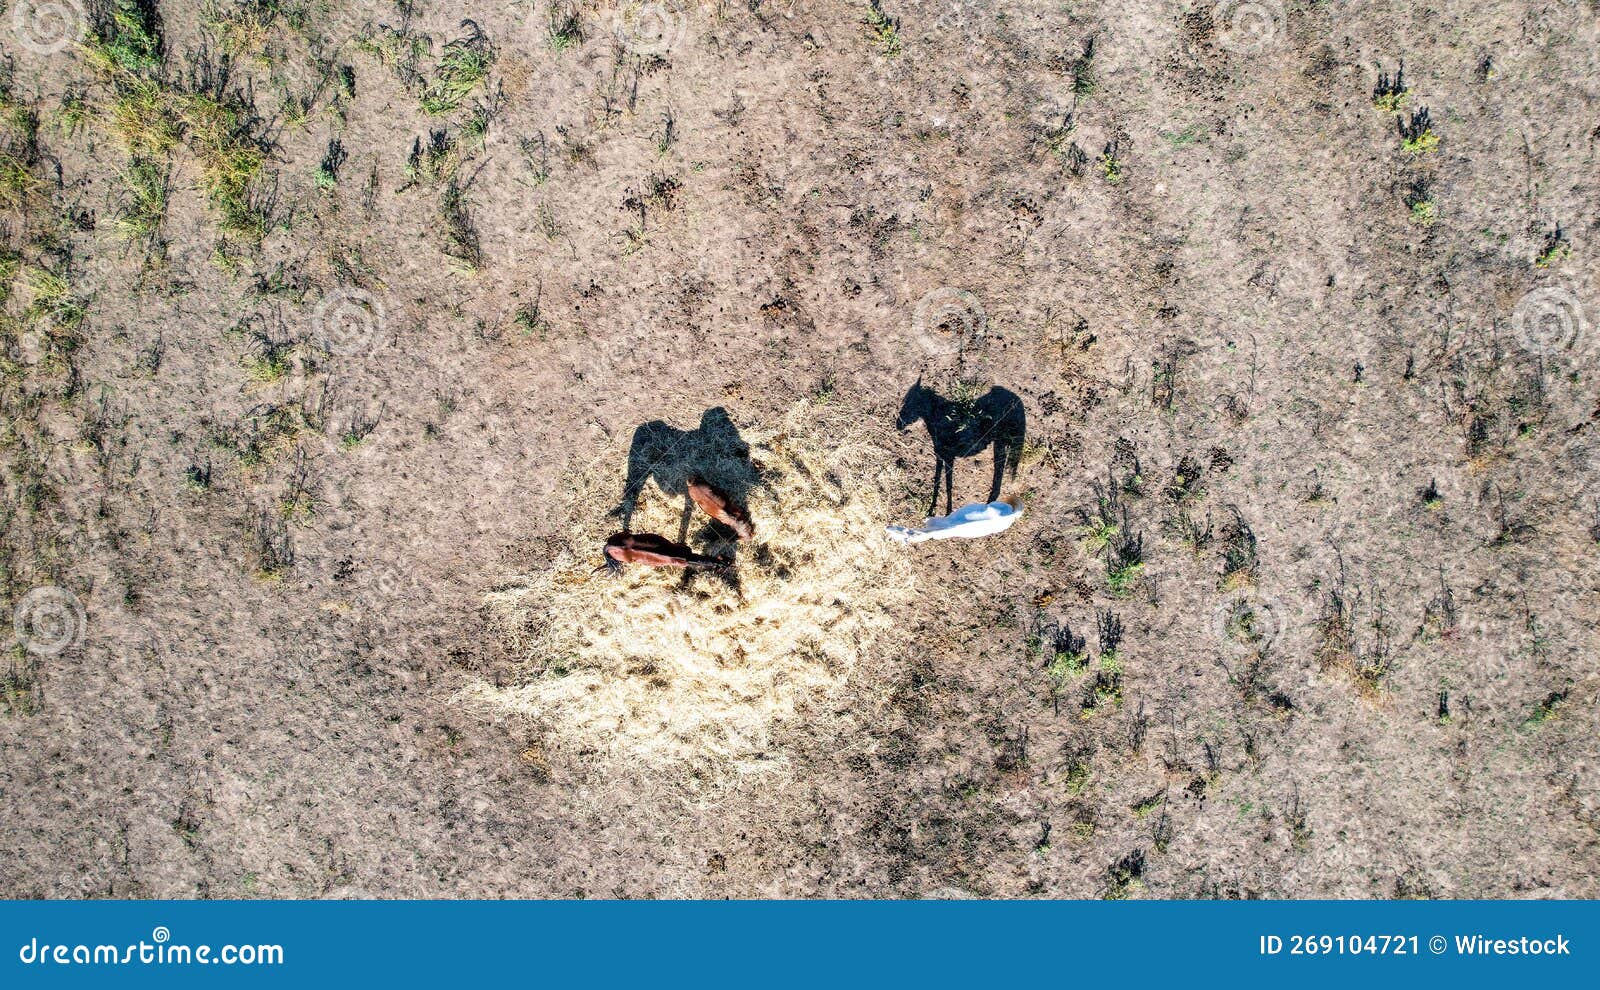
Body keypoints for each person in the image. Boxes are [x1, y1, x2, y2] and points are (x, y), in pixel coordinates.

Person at [886, 499, 1022, 544]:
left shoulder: (1004, 508)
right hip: (973, 530)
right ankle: (912, 536)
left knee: (949, 524)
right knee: (947, 529)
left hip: (971, 519)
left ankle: (911, 535)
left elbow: (987, 507)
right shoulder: (1005, 524)